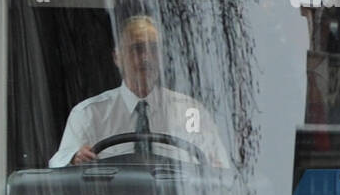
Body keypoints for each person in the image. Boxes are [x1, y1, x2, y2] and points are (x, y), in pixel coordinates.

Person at [50, 13, 230, 168]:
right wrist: (74, 158)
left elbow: (219, 167)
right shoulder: (89, 114)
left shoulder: (191, 112)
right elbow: (59, 165)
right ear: (117, 58)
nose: (146, 58)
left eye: (153, 49)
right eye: (137, 49)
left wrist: (215, 168)